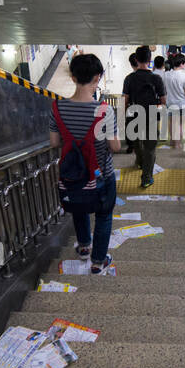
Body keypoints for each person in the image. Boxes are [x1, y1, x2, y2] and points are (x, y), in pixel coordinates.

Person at [49, 53, 120, 273]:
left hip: (73, 175)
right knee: (103, 215)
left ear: (72, 77)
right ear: (97, 78)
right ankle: (98, 262)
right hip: (101, 176)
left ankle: (83, 248)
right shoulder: (104, 111)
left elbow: (54, 142)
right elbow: (115, 147)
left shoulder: (57, 108)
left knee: (79, 209)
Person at [121, 45, 165, 188]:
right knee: (150, 148)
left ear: (136, 59)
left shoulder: (129, 78)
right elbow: (163, 102)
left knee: (136, 142)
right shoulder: (156, 78)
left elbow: (125, 101)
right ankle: (146, 178)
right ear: (150, 59)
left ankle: (140, 162)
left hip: (133, 113)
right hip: (151, 115)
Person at [162, 52, 185, 149]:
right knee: (179, 124)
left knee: (171, 122)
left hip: (170, 102)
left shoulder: (166, 75)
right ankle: (177, 144)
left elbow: (164, 89)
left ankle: (172, 141)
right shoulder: (184, 76)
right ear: (182, 64)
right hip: (182, 103)